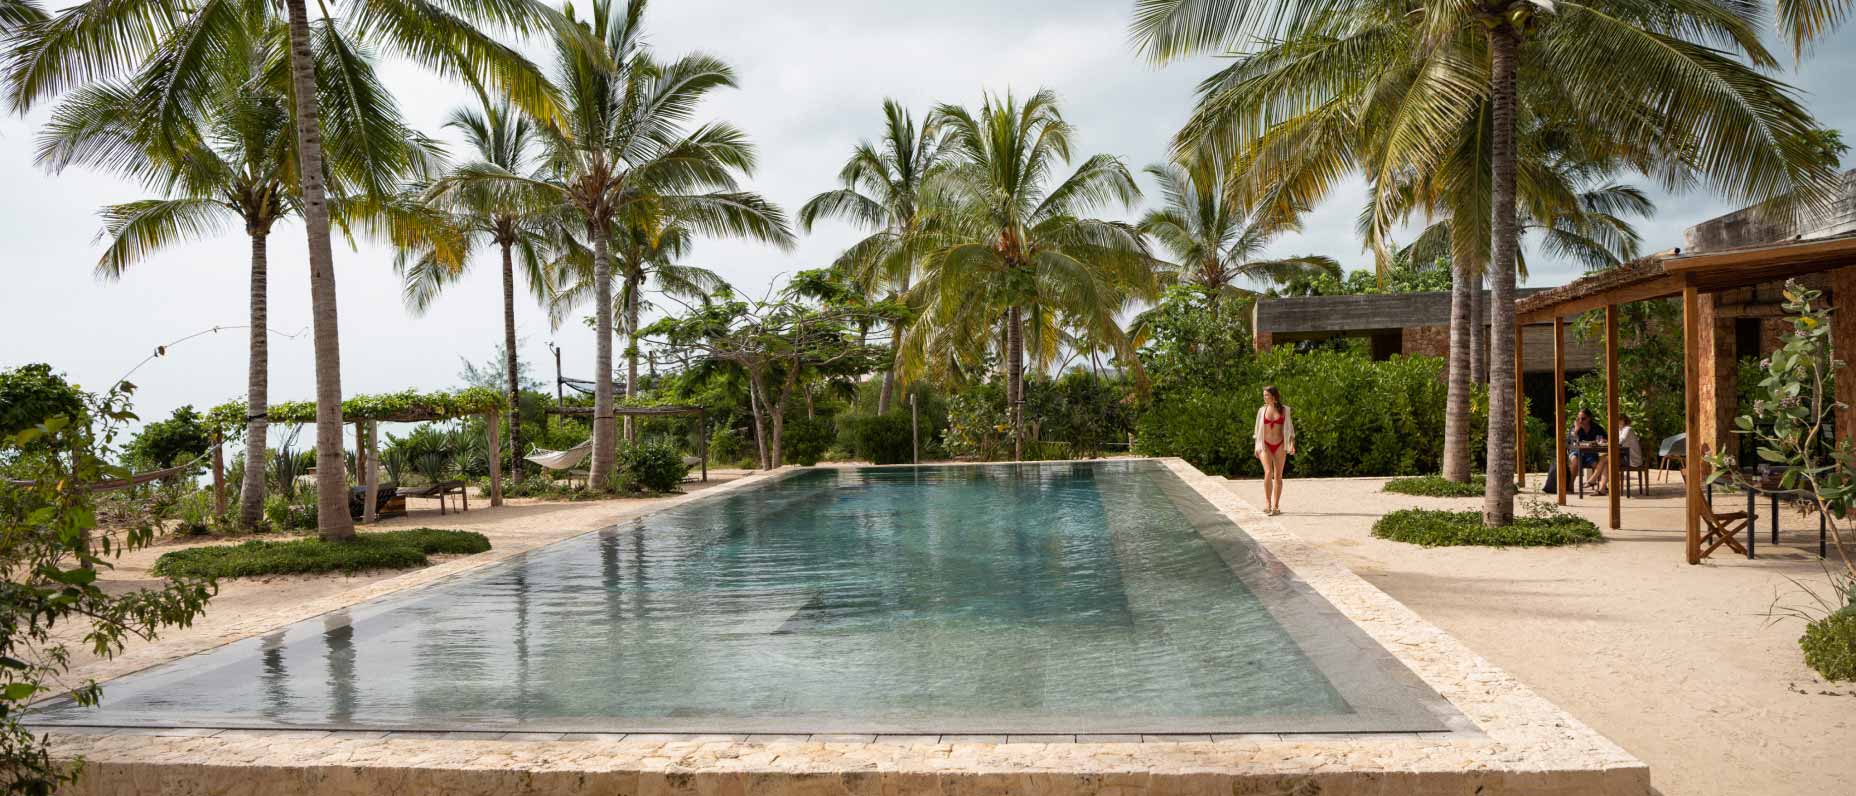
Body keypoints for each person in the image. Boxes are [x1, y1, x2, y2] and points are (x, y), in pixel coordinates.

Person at [1253, 385, 1296, 515]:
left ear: (1274, 396)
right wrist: (1256, 446)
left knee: (1278, 475)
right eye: (1264, 395)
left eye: (1266, 395)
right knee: (1267, 472)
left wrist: (1292, 444)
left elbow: (1290, 430)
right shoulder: (1262, 410)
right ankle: (1268, 503)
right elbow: (1257, 430)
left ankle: (1276, 506)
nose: (1264, 397)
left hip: (1279, 445)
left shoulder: (1285, 410)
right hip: (1265, 445)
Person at [1592, 414, 1642, 496]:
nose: (1615, 422)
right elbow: (1616, 442)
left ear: (1623, 420)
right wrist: (1607, 442)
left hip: (1632, 459)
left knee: (1604, 459)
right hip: (1624, 457)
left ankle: (1593, 480)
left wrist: (1608, 442)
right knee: (1606, 462)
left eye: (1617, 420)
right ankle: (1601, 489)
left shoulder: (1628, 429)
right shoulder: (1620, 430)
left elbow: (1620, 442)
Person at [1570, 408, 1607, 490]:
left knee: (1598, 463)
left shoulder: (1596, 427)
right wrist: (1576, 431)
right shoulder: (1574, 427)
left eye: (1583, 418)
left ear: (1589, 418)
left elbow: (1605, 439)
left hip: (1591, 452)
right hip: (1576, 451)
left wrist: (1603, 440)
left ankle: (1602, 486)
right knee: (1575, 460)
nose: (1580, 420)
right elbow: (1572, 444)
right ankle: (1570, 484)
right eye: (1578, 418)